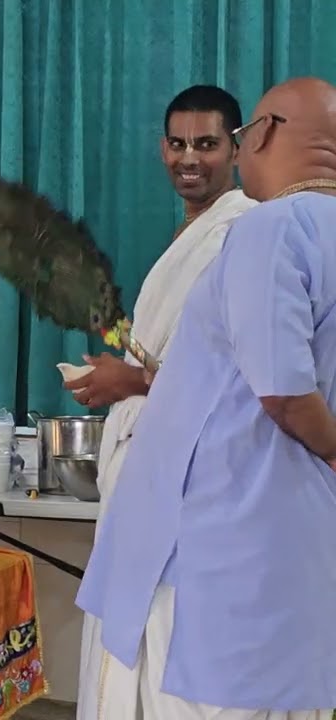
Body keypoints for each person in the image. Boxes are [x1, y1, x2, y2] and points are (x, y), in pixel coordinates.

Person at [77, 77, 336, 718]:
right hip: (291, 525)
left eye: (224, 141)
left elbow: (281, 388)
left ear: (261, 133)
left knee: (193, 696)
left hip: (215, 536)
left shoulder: (269, 227)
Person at [68, 85, 257, 719]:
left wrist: (137, 382)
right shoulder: (193, 236)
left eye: (206, 144)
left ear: (236, 147)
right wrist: (125, 349)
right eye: (177, 143)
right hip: (146, 476)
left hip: (197, 490)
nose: (189, 158)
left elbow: (250, 374)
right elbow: (179, 350)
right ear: (161, 148)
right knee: (134, 650)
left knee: (172, 662)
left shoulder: (243, 233)